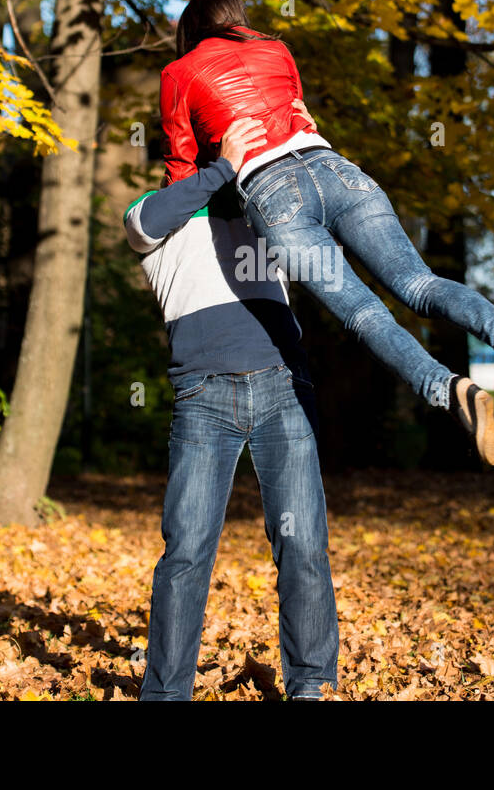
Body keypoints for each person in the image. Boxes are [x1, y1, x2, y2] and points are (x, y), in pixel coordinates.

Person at [158, 0, 494, 466]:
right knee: (421, 284)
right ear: (236, 15)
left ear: (192, 28)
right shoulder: (277, 49)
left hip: (272, 193)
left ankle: (453, 391)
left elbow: (181, 170)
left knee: (365, 314)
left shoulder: (179, 71)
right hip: (336, 169)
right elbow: (297, 116)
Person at [124, 119, 338, 701]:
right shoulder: (154, 213)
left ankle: (311, 685)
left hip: (281, 387)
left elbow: (322, 214)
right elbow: (146, 222)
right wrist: (219, 166)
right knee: (187, 550)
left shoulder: (261, 211)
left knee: (303, 545)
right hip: (203, 396)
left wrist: (305, 147)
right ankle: (167, 692)